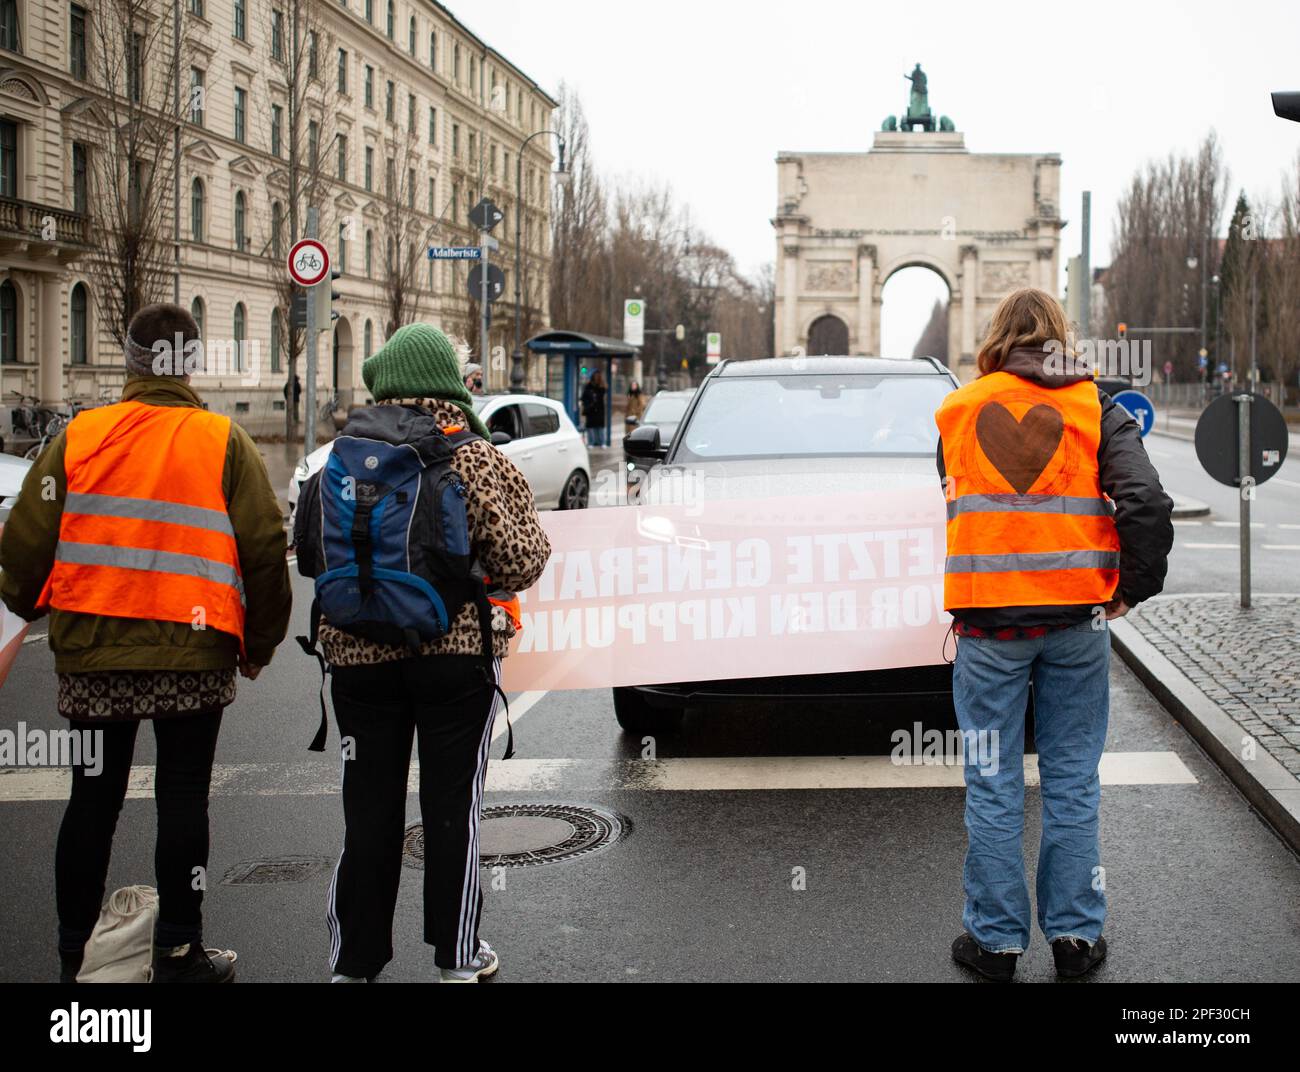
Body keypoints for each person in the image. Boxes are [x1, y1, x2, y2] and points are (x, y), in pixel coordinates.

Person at [0, 303, 292, 984]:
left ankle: (77, 956)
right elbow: (265, 549)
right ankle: (182, 950)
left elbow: (23, 542)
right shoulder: (223, 441)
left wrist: (26, 605)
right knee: (184, 796)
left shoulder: (79, 437)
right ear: (192, 366)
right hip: (195, 655)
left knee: (92, 800)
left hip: (92, 656)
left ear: (131, 361)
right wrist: (260, 642)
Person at [298, 324, 550, 983]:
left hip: (355, 657)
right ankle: (458, 957)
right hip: (456, 657)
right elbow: (522, 562)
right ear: (448, 380)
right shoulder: (476, 458)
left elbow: (308, 554)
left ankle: (354, 964)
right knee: (451, 810)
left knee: (368, 810)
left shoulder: (335, 458)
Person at [934, 287, 1172, 982]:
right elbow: (1146, 502)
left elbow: (950, 494)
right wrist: (1132, 587)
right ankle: (1074, 937)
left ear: (998, 338)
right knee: (1071, 779)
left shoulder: (958, 408)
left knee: (993, 781)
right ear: (1060, 336)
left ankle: (996, 943)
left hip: (987, 629)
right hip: (1076, 622)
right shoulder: (1096, 407)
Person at [581, 370, 607, 447]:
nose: (596, 378)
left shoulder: (602, 386)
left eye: (597, 377)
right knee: (591, 427)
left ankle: (601, 442)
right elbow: (584, 398)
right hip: (591, 409)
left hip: (599, 410)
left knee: (599, 427)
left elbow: (603, 393)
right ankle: (592, 443)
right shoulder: (588, 386)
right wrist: (588, 403)